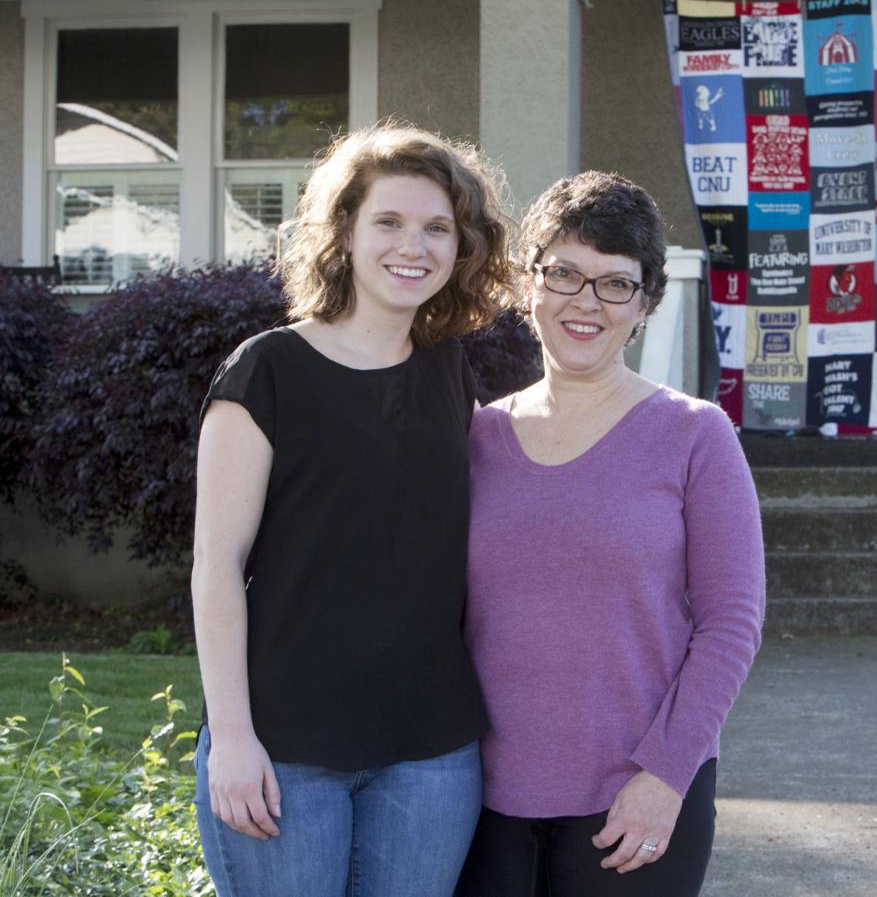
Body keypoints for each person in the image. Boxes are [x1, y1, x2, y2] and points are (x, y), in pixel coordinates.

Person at [190, 123, 510, 896]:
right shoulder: (266, 371)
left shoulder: (449, 373)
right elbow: (216, 568)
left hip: (429, 752)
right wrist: (231, 737)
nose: (416, 246)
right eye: (390, 222)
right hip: (285, 748)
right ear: (345, 232)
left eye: (439, 228)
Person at [455, 171, 765, 897]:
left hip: (636, 800)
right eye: (564, 273)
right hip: (480, 804)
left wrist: (666, 776)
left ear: (646, 303)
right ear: (528, 283)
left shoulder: (696, 436)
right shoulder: (473, 438)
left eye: (615, 283)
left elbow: (732, 623)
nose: (585, 302)